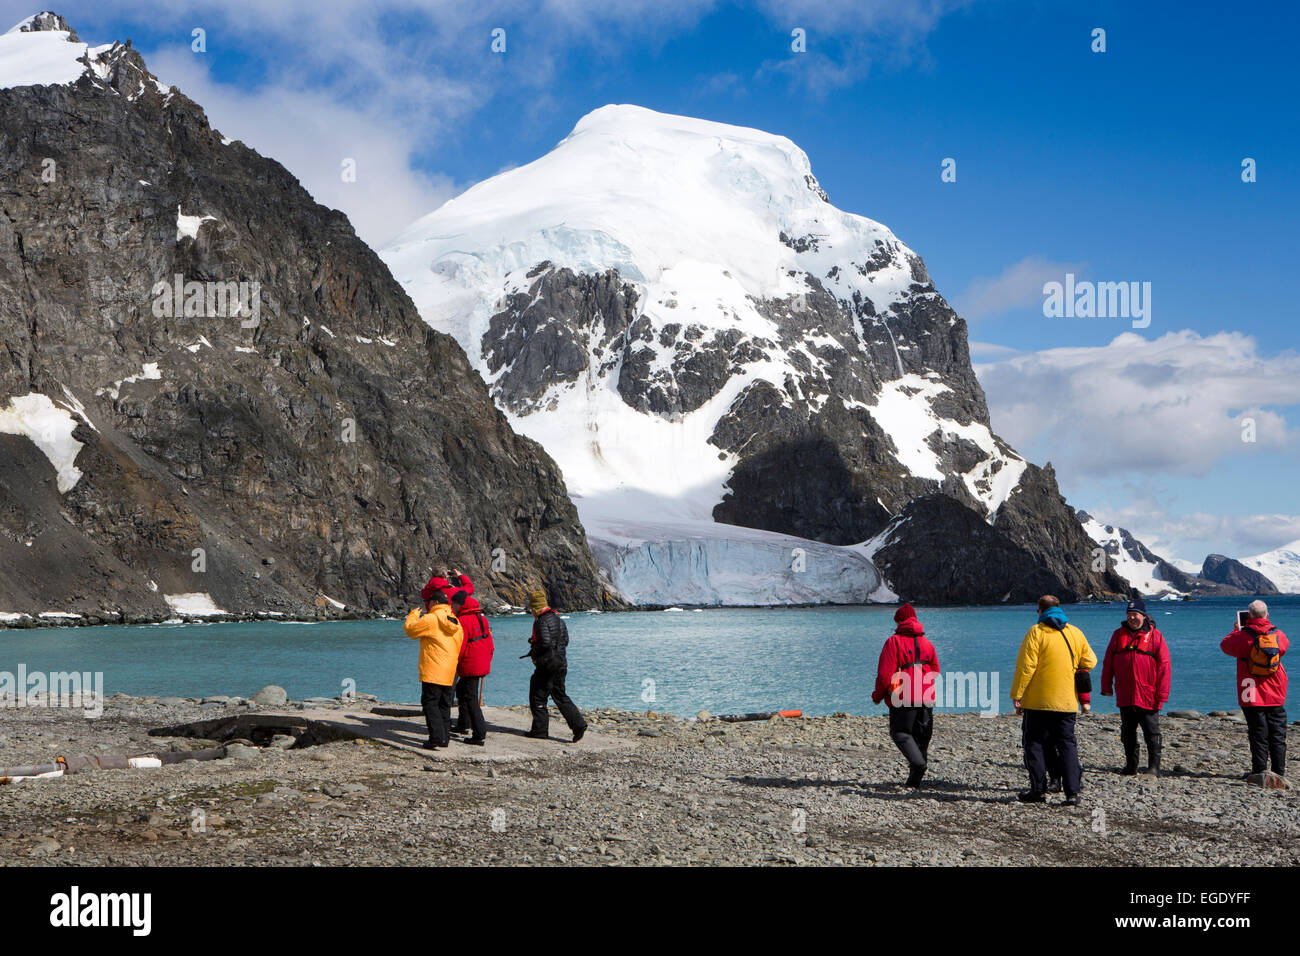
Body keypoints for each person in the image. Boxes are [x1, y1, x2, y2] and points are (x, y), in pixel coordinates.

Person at [1010, 595, 1097, 806]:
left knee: (1035, 744)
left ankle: (1038, 790)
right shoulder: (1075, 633)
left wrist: (1017, 694)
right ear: (1060, 610)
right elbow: (1090, 661)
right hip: (1067, 701)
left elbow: (1026, 667)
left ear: (1040, 611)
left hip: (1038, 702)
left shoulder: (1036, 632)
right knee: (1067, 744)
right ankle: (1072, 793)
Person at [870, 603, 940, 788]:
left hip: (903, 696)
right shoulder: (927, 643)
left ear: (900, 621)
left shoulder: (894, 642)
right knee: (922, 735)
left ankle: (918, 766)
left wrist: (877, 695)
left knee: (900, 732)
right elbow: (935, 670)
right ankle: (914, 782)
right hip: (926, 696)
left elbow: (885, 674)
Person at [1100, 597, 1171, 776]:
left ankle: (1154, 767)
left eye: (1136, 615)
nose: (1132, 618)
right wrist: (1106, 686)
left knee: (1151, 732)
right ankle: (1131, 766)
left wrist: (1162, 694)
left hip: (1148, 694)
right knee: (1127, 732)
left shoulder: (1156, 636)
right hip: (1125, 693)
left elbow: (1164, 666)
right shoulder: (1118, 634)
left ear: (1144, 616)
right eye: (1129, 615)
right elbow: (1108, 662)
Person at [1220, 599, 1289, 778]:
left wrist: (1237, 629)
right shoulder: (1278, 634)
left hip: (1251, 692)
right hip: (1275, 691)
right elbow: (1284, 647)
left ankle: (1259, 770)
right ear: (1267, 615)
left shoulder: (1243, 636)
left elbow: (1225, 645)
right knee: (1278, 733)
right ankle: (1278, 772)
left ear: (1249, 616)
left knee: (1258, 733)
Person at [404, 588, 464, 749]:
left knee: (430, 703)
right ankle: (444, 738)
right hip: (450, 669)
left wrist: (413, 615)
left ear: (435, 603)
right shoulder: (455, 621)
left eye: (429, 602)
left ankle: (436, 738)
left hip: (433, 668)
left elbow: (411, 630)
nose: (428, 605)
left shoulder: (431, 618)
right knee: (444, 704)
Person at [525, 588, 587, 743]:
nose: (531, 612)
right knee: (560, 694)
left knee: (537, 696)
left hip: (547, 665)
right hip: (561, 663)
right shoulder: (559, 620)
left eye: (531, 608)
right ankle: (578, 724)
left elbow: (545, 642)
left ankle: (539, 731)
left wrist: (534, 653)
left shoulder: (541, 621)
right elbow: (565, 641)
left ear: (535, 608)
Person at [451, 587, 494, 746]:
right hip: (481, 660)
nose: (452, 607)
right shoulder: (481, 617)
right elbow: (489, 641)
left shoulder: (463, 620)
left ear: (459, 604)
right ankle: (464, 723)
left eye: (453, 604)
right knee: (463, 690)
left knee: (470, 697)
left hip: (471, 662)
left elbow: (460, 645)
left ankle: (479, 732)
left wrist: (454, 661)